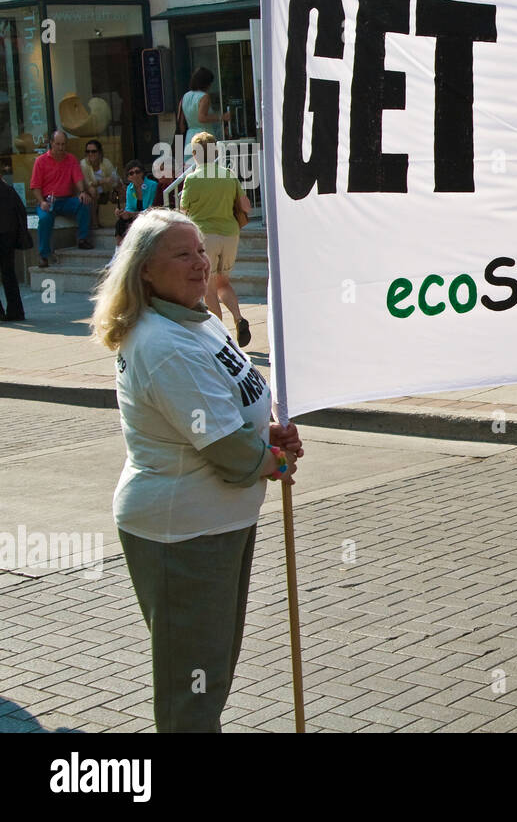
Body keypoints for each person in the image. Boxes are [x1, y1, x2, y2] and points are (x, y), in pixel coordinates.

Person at [89, 209, 302, 731]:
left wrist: (267, 434)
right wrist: (271, 460)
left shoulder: (198, 319)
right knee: (193, 686)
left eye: (201, 250)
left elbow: (234, 409)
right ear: (144, 269)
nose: (200, 263)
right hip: (182, 532)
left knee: (210, 673)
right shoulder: (162, 343)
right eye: (182, 254)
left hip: (217, 525)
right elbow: (228, 453)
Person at [181, 132, 252, 347]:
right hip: (230, 234)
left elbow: (183, 211)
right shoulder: (228, 175)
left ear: (194, 153)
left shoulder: (192, 179)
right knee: (224, 282)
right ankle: (239, 318)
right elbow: (246, 206)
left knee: (209, 288)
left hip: (205, 236)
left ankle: (220, 337)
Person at [31, 129, 93, 266]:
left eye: (63, 144)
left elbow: (77, 178)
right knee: (45, 219)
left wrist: (82, 191)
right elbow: (35, 187)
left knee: (84, 203)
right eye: (58, 144)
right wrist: (41, 202)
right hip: (47, 200)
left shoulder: (71, 159)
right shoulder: (40, 161)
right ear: (51, 143)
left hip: (66, 199)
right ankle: (43, 255)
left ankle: (82, 239)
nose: (61, 148)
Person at [179, 67, 229, 166]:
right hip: (204, 136)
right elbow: (201, 117)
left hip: (190, 136)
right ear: (206, 83)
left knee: (191, 167)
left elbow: (181, 125)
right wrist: (221, 117)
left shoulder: (185, 96)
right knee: (210, 167)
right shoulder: (204, 97)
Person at [0, 179, 31, 321]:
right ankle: (16, 311)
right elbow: (21, 211)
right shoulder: (8, 190)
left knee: (8, 273)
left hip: (6, 233)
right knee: (9, 273)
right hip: (8, 235)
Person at [115, 159, 159, 248]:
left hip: (150, 217)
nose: (135, 175)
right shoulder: (129, 189)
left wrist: (132, 214)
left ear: (142, 173)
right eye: (131, 173)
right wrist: (123, 213)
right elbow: (129, 207)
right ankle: (120, 249)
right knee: (120, 223)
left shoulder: (152, 185)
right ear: (128, 177)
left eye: (137, 172)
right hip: (136, 216)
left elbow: (151, 209)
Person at [80, 138, 120, 228]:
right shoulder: (83, 164)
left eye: (93, 151)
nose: (90, 154)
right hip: (89, 194)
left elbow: (115, 178)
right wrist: (103, 181)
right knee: (93, 191)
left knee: (121, 191)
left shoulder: (105, 162)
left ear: (99, 152)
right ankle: (94, 222)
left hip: (105, 192)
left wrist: (116, 184)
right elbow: (87, 184)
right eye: (88, 151)